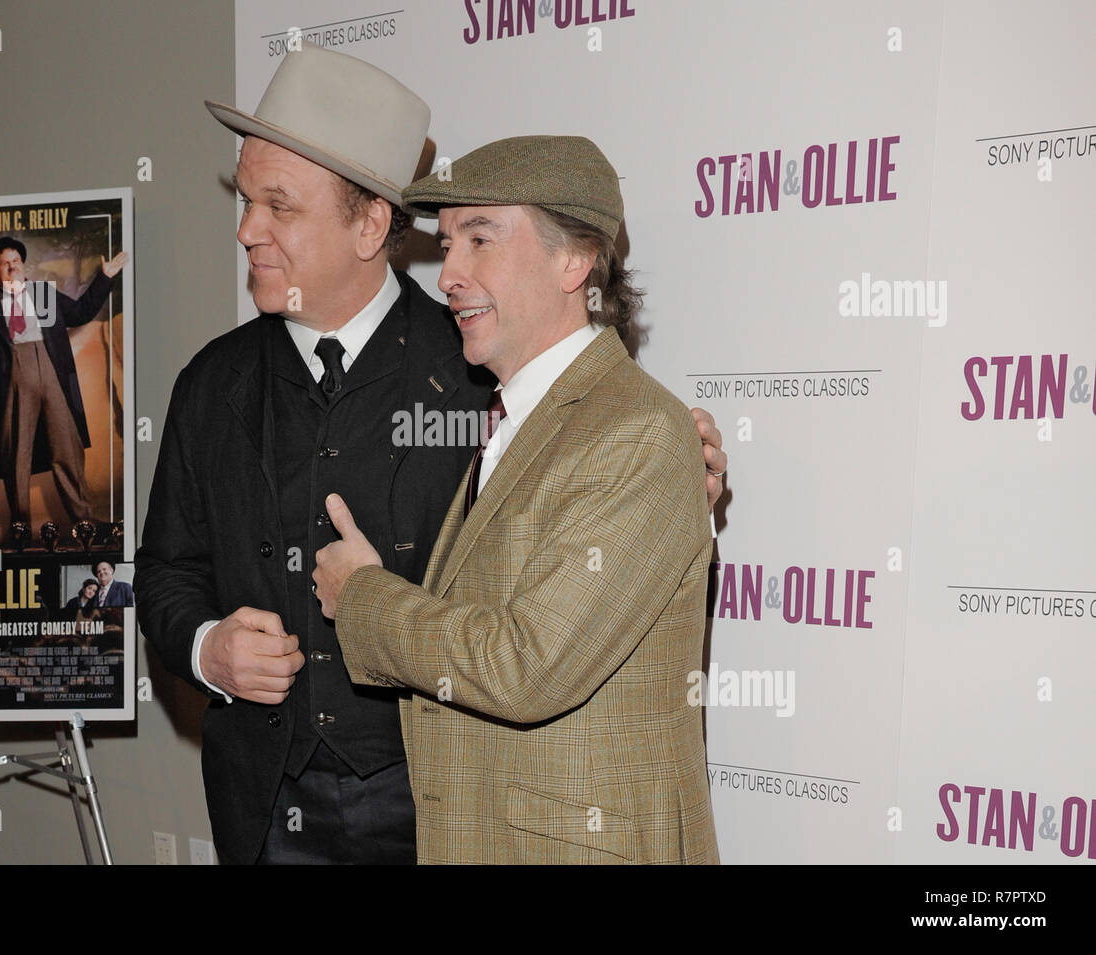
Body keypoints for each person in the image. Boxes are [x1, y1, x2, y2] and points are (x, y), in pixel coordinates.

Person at [136, 44, 726, 866]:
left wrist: (674, 459)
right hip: (263, 804)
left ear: (370, 222)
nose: (246, 229)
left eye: (279, 205)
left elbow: (547, 601)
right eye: (245, 200)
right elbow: (165, 566)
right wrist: (207, 648)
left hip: (440, 811)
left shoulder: (485, 373)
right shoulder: (213, 382)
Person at [314, 135, 719, 864]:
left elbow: (525, 665)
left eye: (481, 239)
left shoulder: (637, 432)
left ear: (575, 258)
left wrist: (363, 596)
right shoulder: (518, 420)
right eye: (447, 245)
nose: (450, 275)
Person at [0, 236, 128, 528]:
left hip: (53, 372)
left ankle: (84, 523)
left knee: (67, 448)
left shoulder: (44, 293)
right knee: (17, 456)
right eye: (5, 263)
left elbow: (81, 313)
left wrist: (104, 278)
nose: (12, 267)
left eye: (16, 261)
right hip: (13, 381)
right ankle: (21, 527)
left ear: (24, 266)